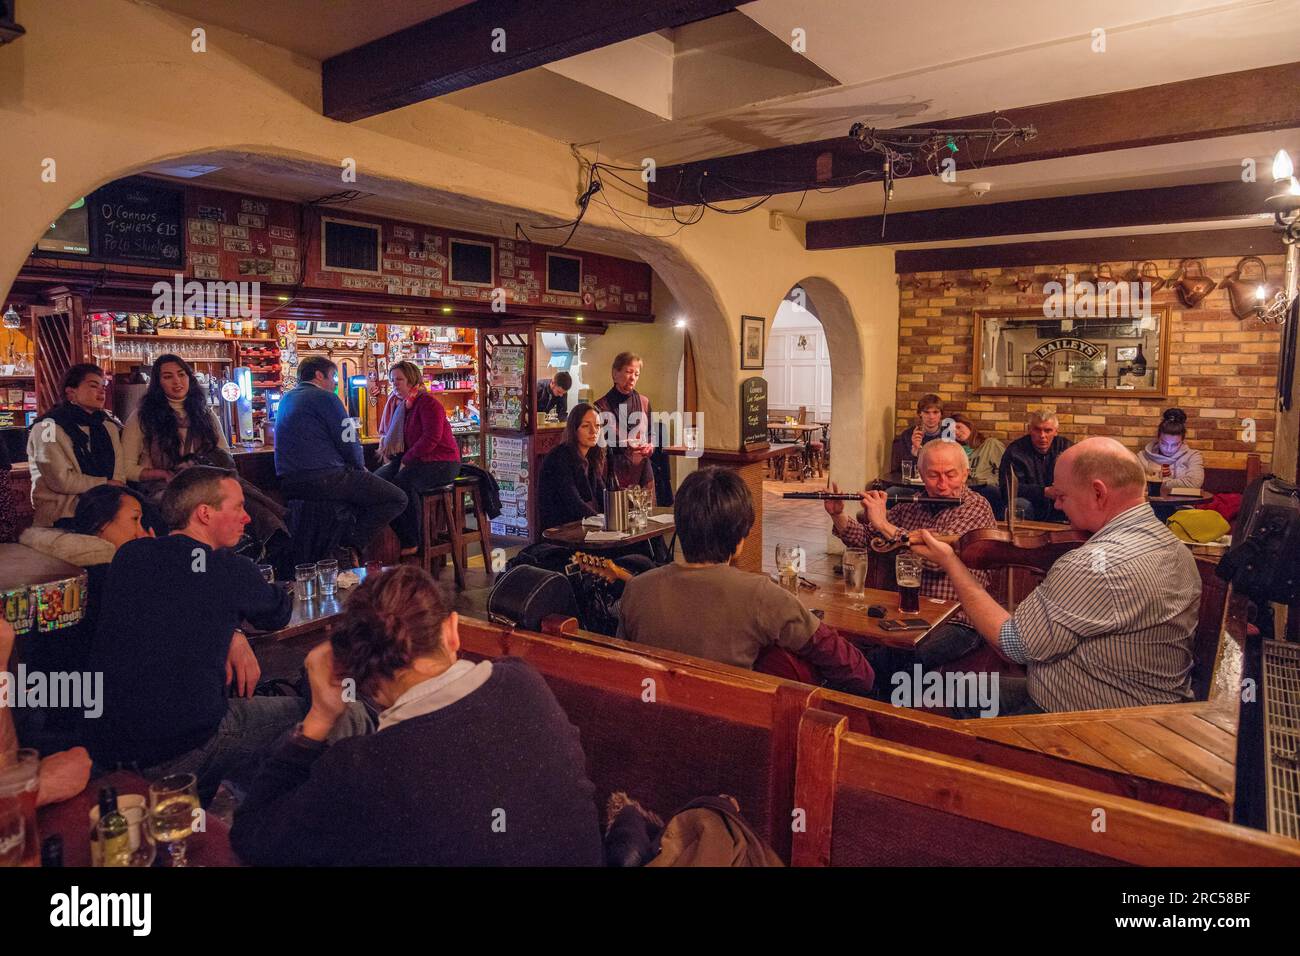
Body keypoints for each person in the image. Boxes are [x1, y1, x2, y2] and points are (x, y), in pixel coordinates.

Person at [231, 565, 603, 866]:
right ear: (453, 631)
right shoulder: (523, 683)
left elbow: (252, 836)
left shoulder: (359, 770)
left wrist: (318, 719)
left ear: (353, 672)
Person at [86, 466, 370, 804]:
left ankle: (236, 791)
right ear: (205, 514)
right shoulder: (230, 569)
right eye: (238, 507)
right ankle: (295, 807)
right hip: (179, 750)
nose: (248, 518)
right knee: (318, 712)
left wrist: (231, 630)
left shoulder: (129, 555)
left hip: (105, 745)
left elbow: (174, 595)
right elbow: (277, 612)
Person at [908, 437, 1201, 716]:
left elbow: (1013, 646)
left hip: (1085, 718)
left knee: (929, 696)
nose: (1058, 506)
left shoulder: (1092, 563)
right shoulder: (1174, 545)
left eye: (1062, 496)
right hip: (1135, 701)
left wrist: (952, 563)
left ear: (1098, 493)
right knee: (952, 689)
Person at [618, 467, 875, 696]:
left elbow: (624, 671)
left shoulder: (636, 590)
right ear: (740, 536)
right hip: (735, 737)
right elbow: (858, 671)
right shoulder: (762, 595)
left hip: (655, 731)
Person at [826, 439, 997, 670]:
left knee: (900, 660)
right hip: (908, 614)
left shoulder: (977, 508)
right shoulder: (912, 506)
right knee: (846, 641)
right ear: (920, 475)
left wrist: (885, 524)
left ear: (966, 474)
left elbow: (938, 559)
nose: (942, 485)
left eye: (951, 474)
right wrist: (838, 515)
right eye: (934, 475)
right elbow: (867, 540)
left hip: (960, 620)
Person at [122, 353, 286, 548]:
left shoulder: (203, 413)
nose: (177, 381)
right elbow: (126, 467)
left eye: (181, 374)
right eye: (168, 377)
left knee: (245, 503)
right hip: (165, 489)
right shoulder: (142, 417)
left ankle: (271, 546)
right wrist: (163, 473)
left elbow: (224, 454)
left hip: (206, 483)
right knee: (223, 507)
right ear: (158, 384)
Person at [275, 356, 406, 558]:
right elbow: (348, 439)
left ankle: (338, 540)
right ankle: (349, 545)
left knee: (360, 497)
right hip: (326, 480)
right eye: (333, 376)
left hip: (291, 484)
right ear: (319, 375)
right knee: (397, 498)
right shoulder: (326, 398)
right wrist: (360, 466)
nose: (335, 382)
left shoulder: (287, 399)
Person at [374, 361, 461, 551]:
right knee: (377, 484)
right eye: (392, 380)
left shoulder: (428, 403)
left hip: (442, 461)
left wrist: (406, 460)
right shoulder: (404, 406)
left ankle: (413, 540)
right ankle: (394, 540)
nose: (394, 384)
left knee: (403, 483)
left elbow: (431, 438)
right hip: (418, 460)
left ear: (412, 381)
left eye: (399, 380)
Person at [26, 364, 125, 527]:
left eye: (103, 387)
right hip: (61, 514)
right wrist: (105, 484)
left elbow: (119, 474)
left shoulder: (108, 426)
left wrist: (112, 490)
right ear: (71, 392)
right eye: (93, 386)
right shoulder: (47, 427)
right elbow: (60, 480)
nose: (101, 391)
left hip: (105, 508)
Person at [537, 403, 607, 530]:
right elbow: (573, 503)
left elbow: (603, 494)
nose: (594, 431)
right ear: (573, 429)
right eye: (586, 426)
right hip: (562, 530)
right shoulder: (559, 457)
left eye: (597, 426)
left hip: (584, 526)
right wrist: (603, 521)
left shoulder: (591, 456)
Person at [593, 351, 654, 497]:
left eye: (636, 374)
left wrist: (650, 446)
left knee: (645, 516)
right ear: (615, 373)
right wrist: (621, 443)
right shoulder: (600, 407)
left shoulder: (644, 402)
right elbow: (596, 445)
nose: (633, 378)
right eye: (628, 372)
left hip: (642, 473)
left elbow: (652, 434)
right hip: (613, 472)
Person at [999, 410, 1073, 522]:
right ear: (1029, 430)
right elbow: (1007, 488)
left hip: (1060, 500)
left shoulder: (1067, 448)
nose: (1042, 436)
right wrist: (1044, 491)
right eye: (1037, 430)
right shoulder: (1015, 451)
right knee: (1018, 505)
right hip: (1031, 503)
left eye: (1048, 430)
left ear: (1056, 431)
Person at [1137, 407, 1205, 496]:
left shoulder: (1193, 456)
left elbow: (1194, 483)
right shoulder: (1142, 456)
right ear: (1158, 438)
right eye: (1164, 443)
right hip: (1149, 505)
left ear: (1182, 441)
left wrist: (1158, 480)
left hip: (1182, 506)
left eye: (1175, 444)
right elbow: (1134, 485)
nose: (1168, 449)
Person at [950, 412, 1007, 518]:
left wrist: (991, 482)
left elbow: (1006, 470)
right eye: (952, 431)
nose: (956, 432)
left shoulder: (990, 444)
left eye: (958, 427)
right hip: (966, 489)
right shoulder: (957, 451)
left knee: (990, 491)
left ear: (969, 425)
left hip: (987, 488)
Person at [889, 394, 945, 475]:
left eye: (935, 412)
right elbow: (903, 471)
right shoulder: (907, 435)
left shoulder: (947, 436)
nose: (931, 417)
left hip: (939, 482)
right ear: (920, 414)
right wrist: (915, 451)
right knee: (892, 488)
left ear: (941, 414)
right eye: (926, 412)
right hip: (913, 483)